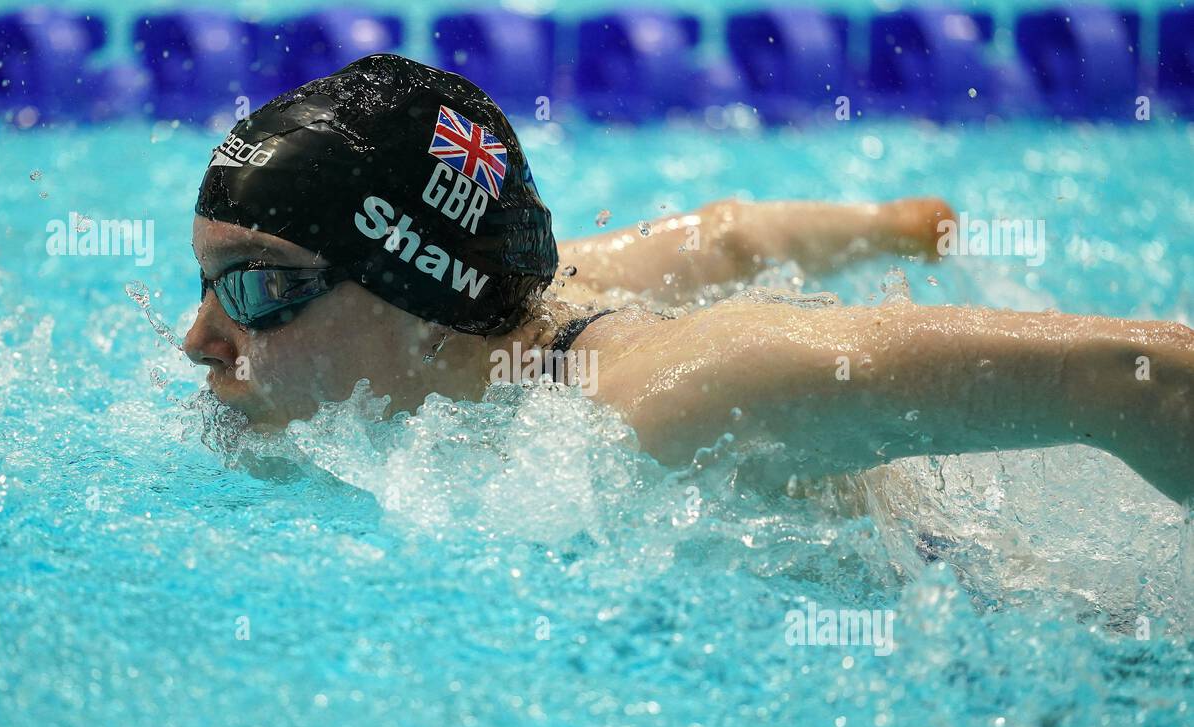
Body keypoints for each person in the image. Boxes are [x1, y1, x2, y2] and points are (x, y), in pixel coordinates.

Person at [185, 54, 1194, 505]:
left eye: (253, 288)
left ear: (420, 298)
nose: (200, 339)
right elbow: (725, 236)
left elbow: (1144, 373)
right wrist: (887, 229)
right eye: (201, 284)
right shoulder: (526, 301)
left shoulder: (660, 401)